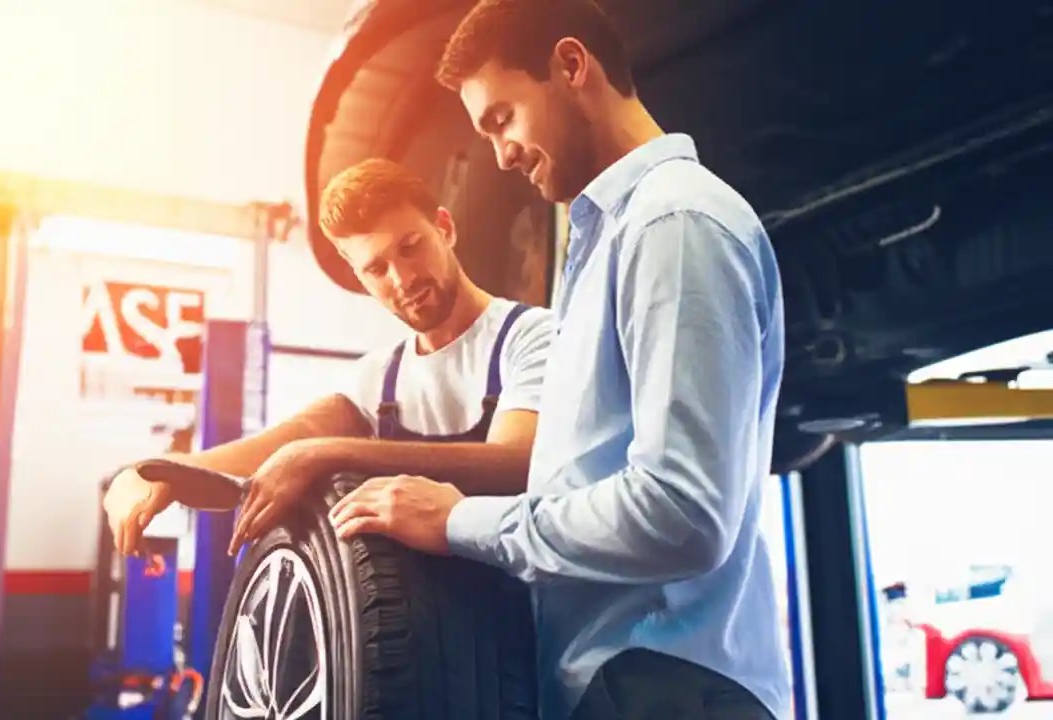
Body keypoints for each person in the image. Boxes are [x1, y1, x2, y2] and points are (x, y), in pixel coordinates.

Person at [327, 1, 790, 719]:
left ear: (572, 66)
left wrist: (461, 522)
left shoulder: (673, 224)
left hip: (664, 687)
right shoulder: (605, 241)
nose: (501, 154)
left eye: (502, 119)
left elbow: (682, 513)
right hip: (623, 687)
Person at [101, 157, 555, 559]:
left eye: (411, 246)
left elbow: (517, 462)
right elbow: (268, 454)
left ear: (445, 228)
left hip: (526, 627)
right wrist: (151, 473)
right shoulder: (380, 381)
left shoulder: (531, 336)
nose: (402, 278)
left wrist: (322, 455)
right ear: (359, 277)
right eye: (376, 268)